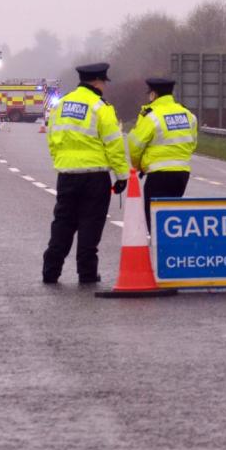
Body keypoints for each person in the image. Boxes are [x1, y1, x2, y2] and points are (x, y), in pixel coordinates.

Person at [43, 62, 129, 284]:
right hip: (94, 176)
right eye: (104, 83)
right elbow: (113, 144)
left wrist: (62, 162)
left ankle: (51, 270)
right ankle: (87, 273)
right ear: (98, 81)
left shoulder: (60, 105)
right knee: (91, 224)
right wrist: (121, 176)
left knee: (62, 223)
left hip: (67, 174)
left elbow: (52, 138)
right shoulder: (101, 108)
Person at [127, 77, 198, 227]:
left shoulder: (151, 116)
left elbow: (134, 145)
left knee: (154, 219)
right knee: (172, 217)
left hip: (158, 175)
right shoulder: (188, 115)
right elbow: (192, 143)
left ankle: (160, 249)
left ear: (153, 94)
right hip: (182, 175)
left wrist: (138, 165)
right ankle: (172, 249)